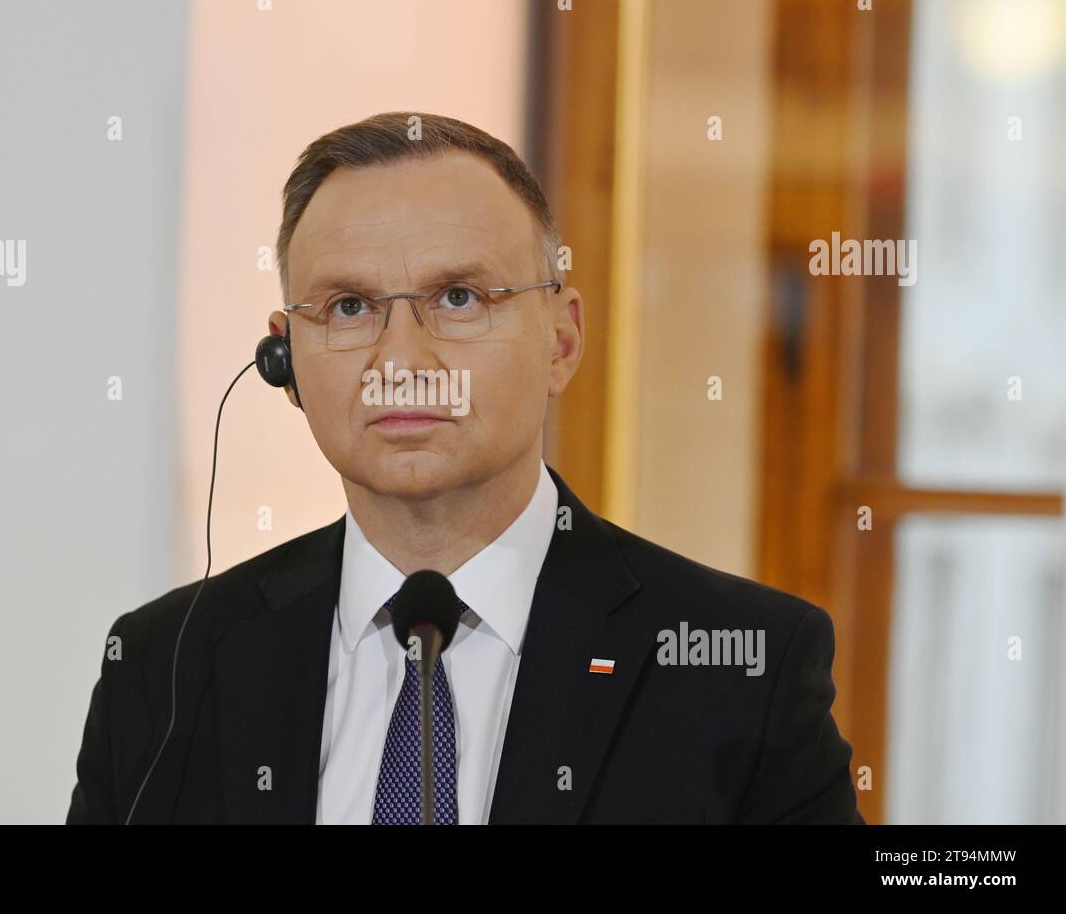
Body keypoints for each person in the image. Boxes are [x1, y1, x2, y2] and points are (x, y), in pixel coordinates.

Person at [66, 111, 862, 824]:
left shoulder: (741, 661)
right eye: (349, 307)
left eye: (458, 299)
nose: (402, 360)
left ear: (561, 339)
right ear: (286, 359)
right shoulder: (163, 664)